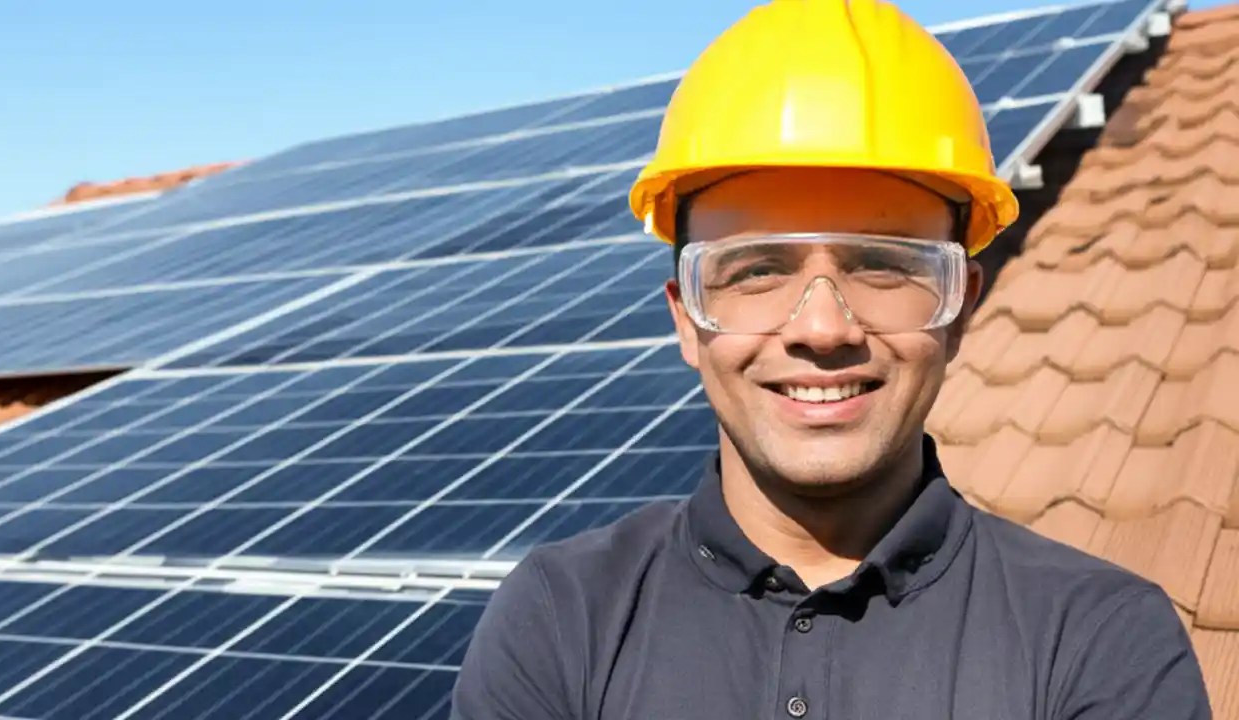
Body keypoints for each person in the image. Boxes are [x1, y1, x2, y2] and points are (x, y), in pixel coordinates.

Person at [450, 1, 1212, 718]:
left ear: (961, 307)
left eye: (882, 265)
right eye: (755, 270)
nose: (821, 327)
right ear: (685, 318)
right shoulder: (559, 623)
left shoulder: (1100, 643)